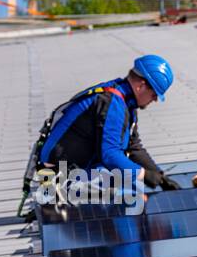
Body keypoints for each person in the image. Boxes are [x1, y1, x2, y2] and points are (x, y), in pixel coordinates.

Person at [24, 54, 179, 221]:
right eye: (155, 94)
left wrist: (159, 176)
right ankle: (53, 207)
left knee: (128, 184)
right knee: (130, 197)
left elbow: (134, 147)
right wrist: (144, 175)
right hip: (58, 177)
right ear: (141, 85)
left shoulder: (125, 101)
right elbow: (110, 155)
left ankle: (61, 206)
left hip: (76, 171)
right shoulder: (112, 103)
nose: (155, 100)